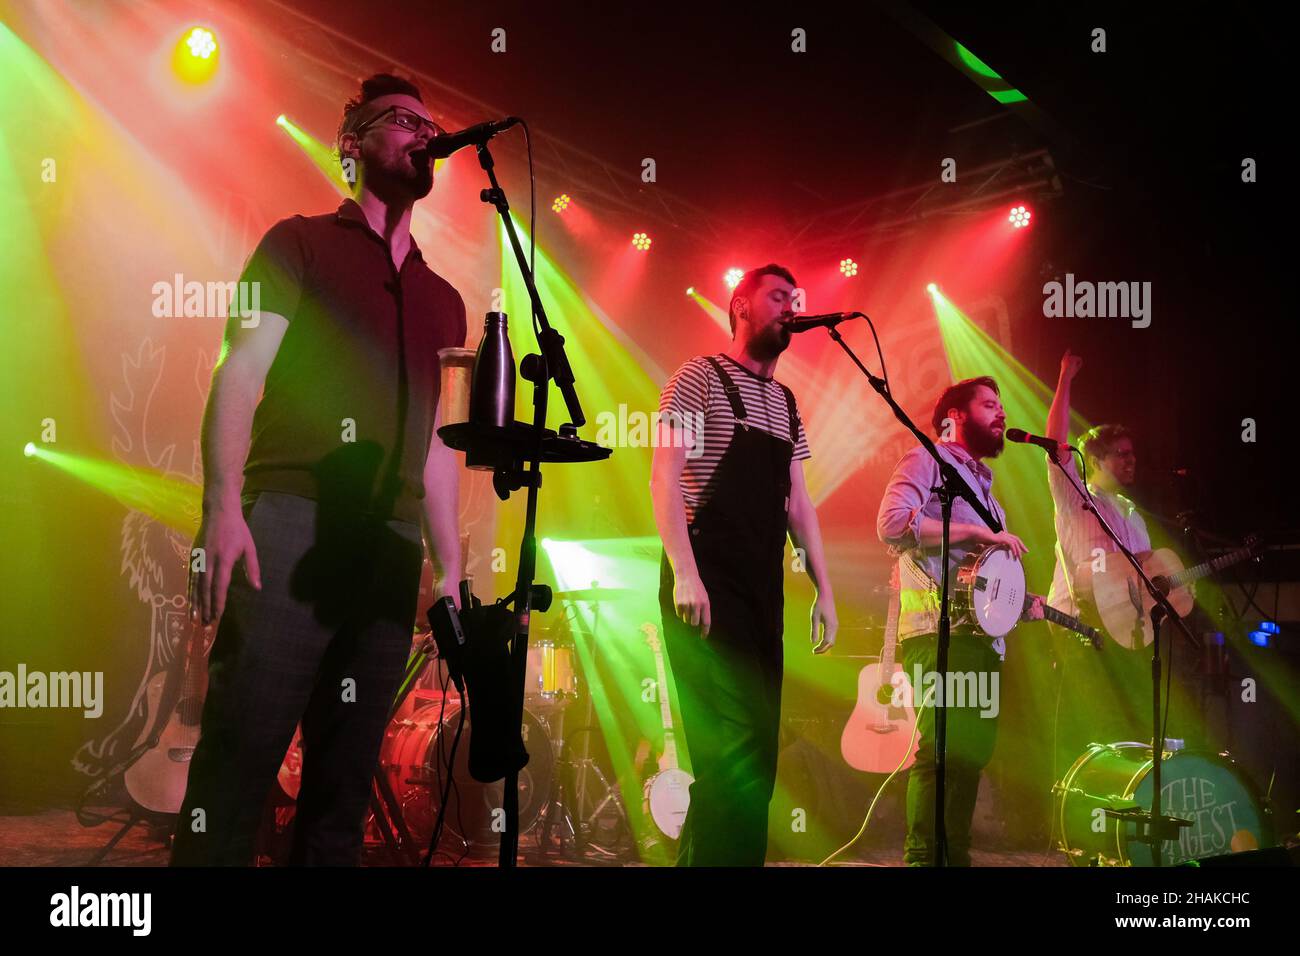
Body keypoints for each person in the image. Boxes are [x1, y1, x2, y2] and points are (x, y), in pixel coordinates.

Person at [172, 74, 467, 865]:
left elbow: (440, 442)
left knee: (342, 791)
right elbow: (240, 369)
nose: (422, 133)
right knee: (239, 761)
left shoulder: (444, 299)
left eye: (430, 123)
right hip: (289, 522)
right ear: (352, 144)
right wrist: (223, 507)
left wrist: (450, 567)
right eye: (401, 120)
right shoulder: (297, 242)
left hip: (390, 543)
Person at [650, 264, 837, 866]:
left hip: (762, 584)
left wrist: (824, 590)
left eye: (796, 298)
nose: (791, 306)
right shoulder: (696, 377)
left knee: (756, 750)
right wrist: (684, 570)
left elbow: (799, 504)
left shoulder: (786, 400)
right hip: (706, 573)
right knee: (729, 748)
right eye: (778, 296)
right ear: (740, 305)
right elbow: (664, 476)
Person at [876, 376, 1043, 866]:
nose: (1002, 414)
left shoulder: (991, 498)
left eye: (1002, 405)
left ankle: (956, 858)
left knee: (971, 756)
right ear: (958, 415)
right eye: (990, 404)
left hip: (979, 642)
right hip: (936, 631)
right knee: (940, 750)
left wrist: (1017, 600)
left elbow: (980, 580)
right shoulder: (926, 457)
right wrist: (975, 531)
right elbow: (892, 523)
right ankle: (923, 859)